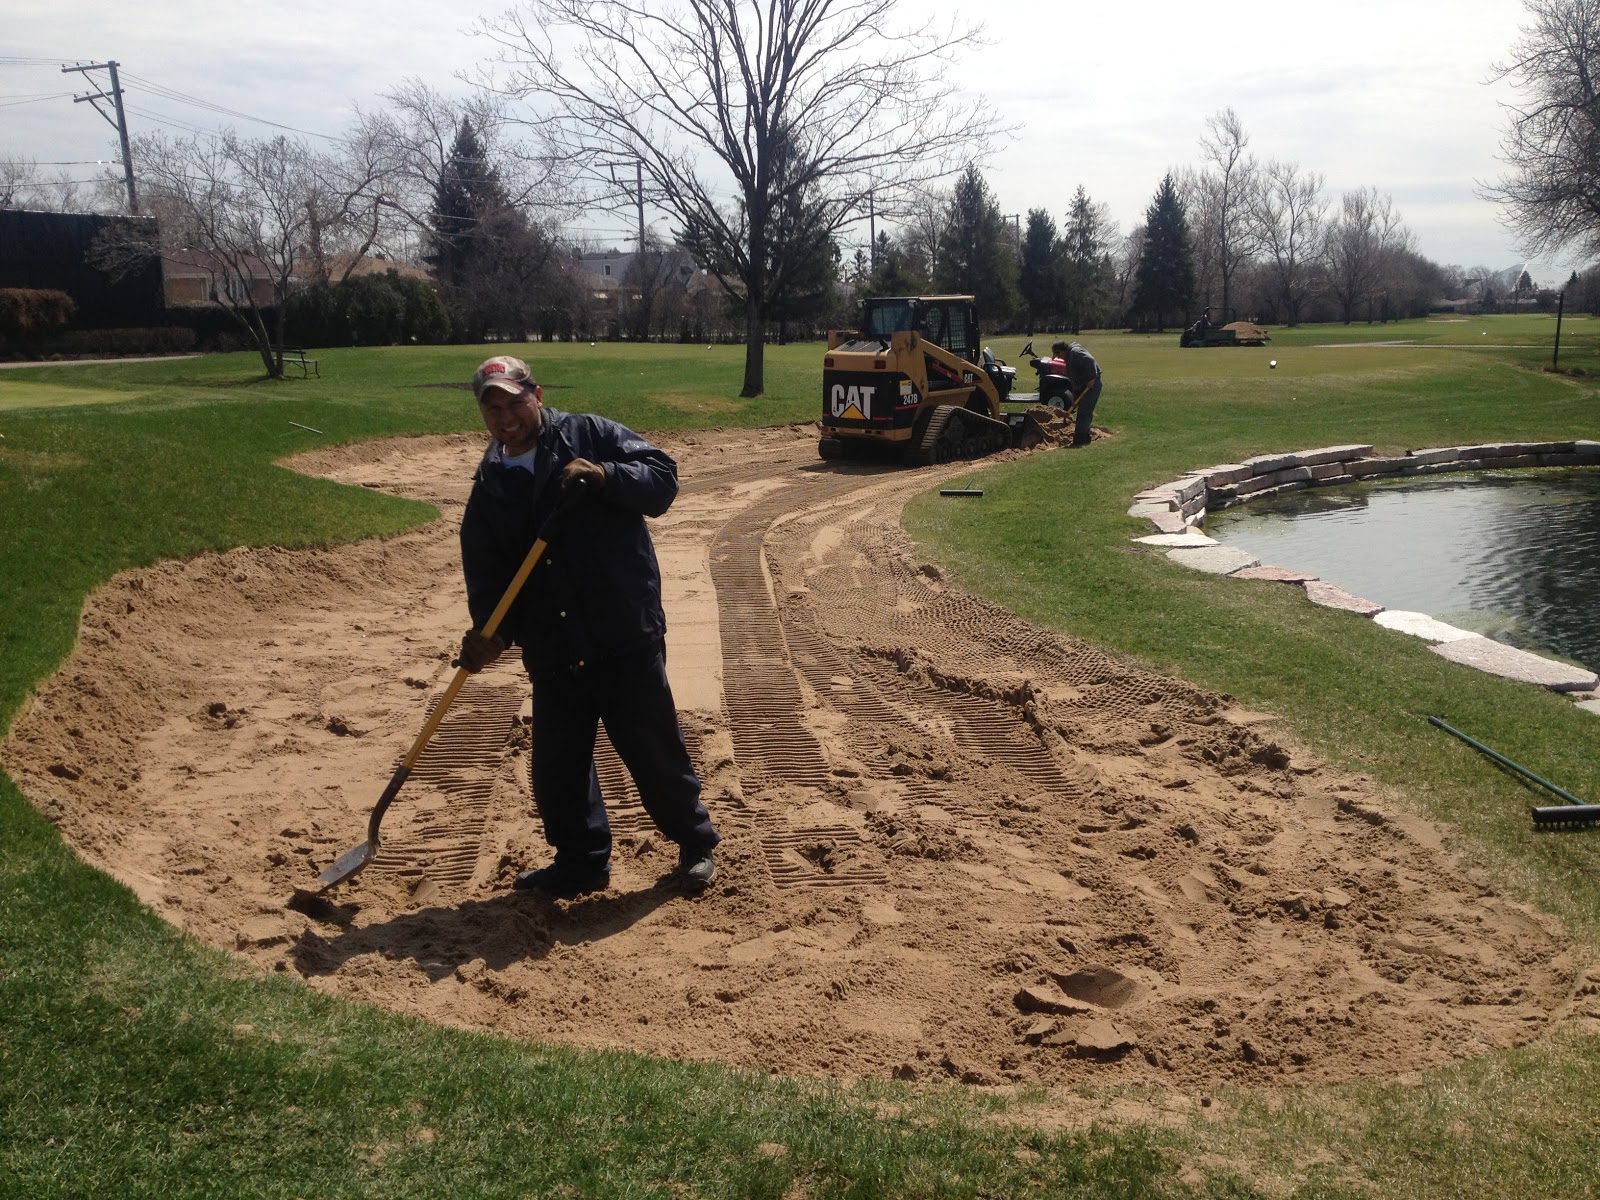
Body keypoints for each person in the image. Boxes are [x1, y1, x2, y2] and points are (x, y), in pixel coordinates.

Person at [456, 355, 720, 897]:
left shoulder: (589, 433)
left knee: (653, 751)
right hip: (553, 645)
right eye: (493, 408)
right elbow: (490, 575)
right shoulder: (490, 485)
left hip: (621, 629)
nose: (506, 417)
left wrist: (606, 475)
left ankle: (695, 842)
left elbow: (662, 480)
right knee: (558, 770)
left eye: (514, 403)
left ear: (537, 396)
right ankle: (581, 862)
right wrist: (490, 633)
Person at [1050, 340, 1102, 447]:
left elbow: (1090, 360)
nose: (1057, 356)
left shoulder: (1076, 353)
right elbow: (1074, 379)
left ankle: (1079, 440)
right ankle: (1086, 438)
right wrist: (1075, 397)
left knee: (1084, 412)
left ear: (1063, 350)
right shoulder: (1069, 358)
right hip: (1082, 386)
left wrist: (1092, 378)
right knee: (1084, 411)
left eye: (1058, 353)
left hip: (1092, 385)